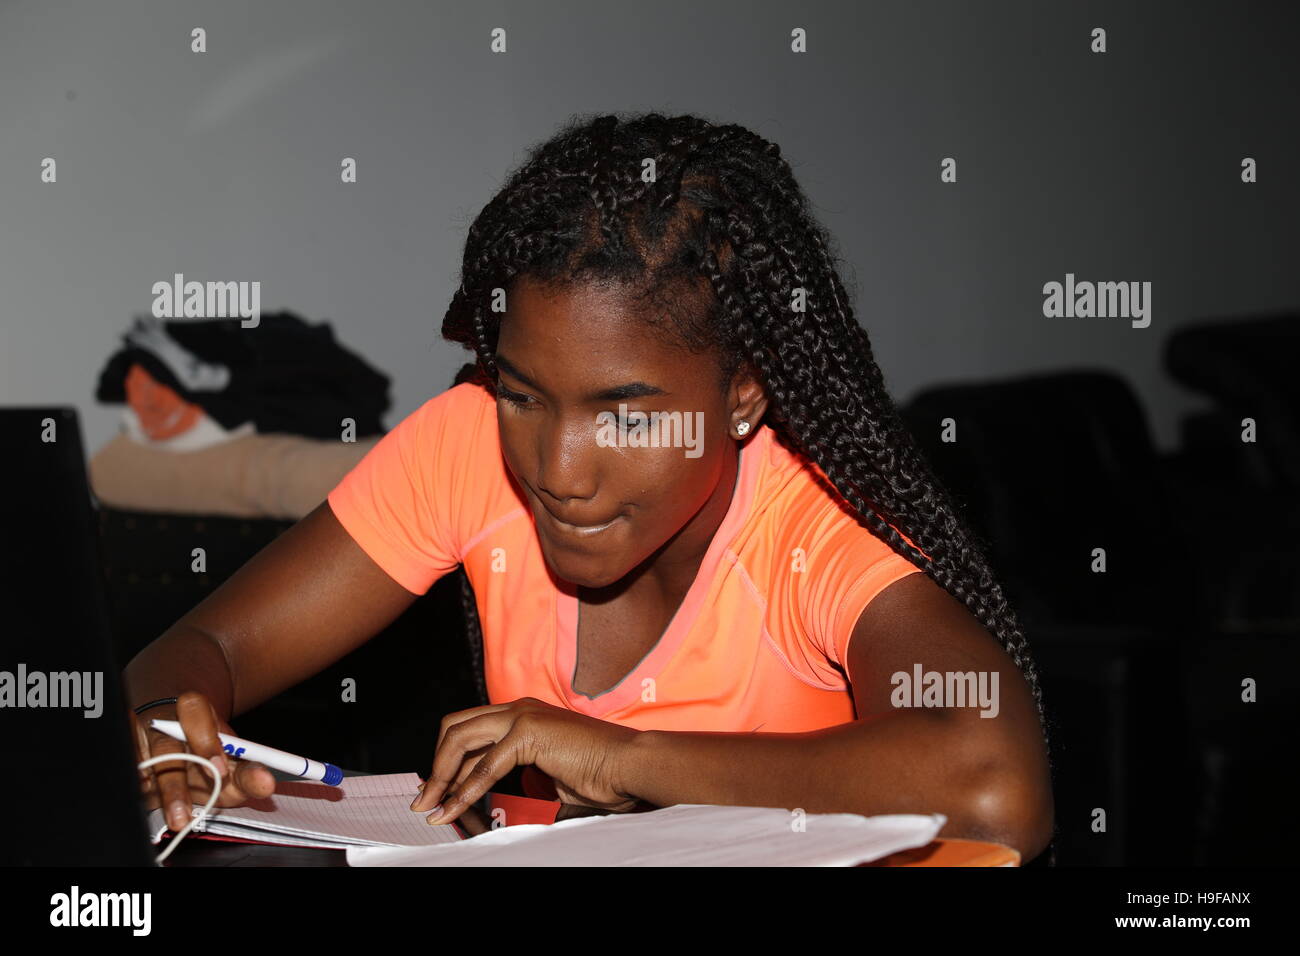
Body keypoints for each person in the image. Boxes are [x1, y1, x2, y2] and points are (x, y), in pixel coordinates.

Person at [126, 112, 1055, 862]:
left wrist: (622, 759)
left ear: (744, 394)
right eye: (525, 395)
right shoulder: (467, 445)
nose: (558, 472)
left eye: (627, 414)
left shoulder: (813, 520)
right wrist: (166, 723)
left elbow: (992, 787)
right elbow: (204, 645)